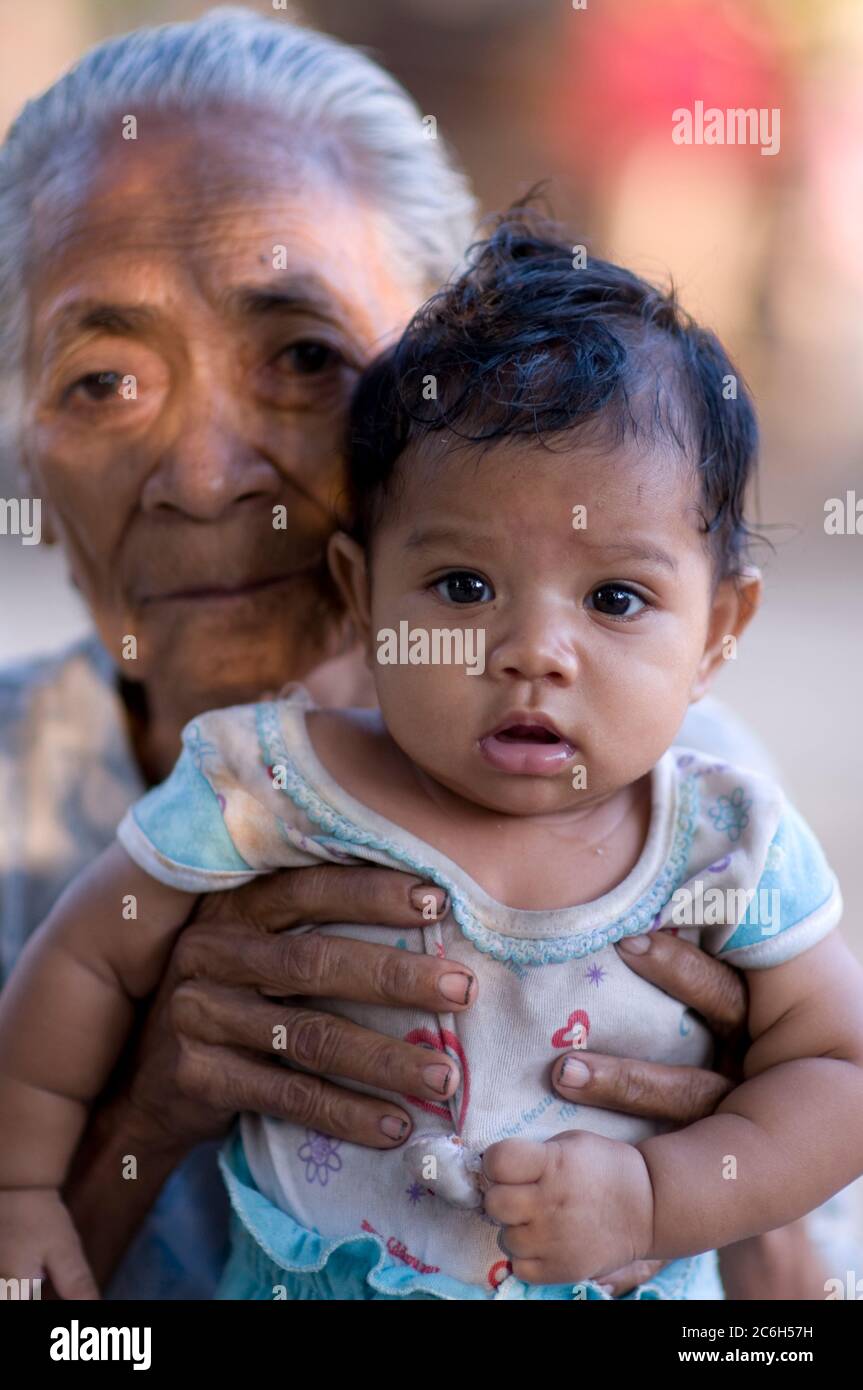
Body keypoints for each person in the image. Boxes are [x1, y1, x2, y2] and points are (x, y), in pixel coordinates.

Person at [0, 6, 849, 1300]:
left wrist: (723, 1186)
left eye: (302, 354)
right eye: (101, 380)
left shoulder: (681, 803)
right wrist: (131, 1121)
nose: (206, 475)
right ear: (28, 456)